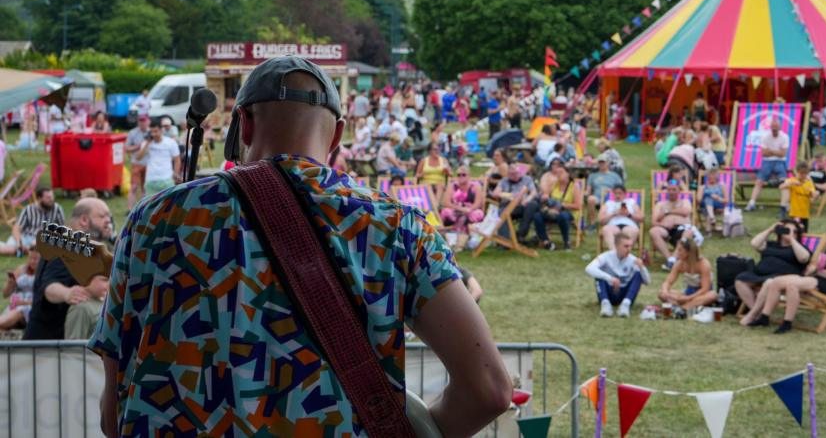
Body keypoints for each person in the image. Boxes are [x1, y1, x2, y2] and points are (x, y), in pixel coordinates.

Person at [91, 56, 511, 437]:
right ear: (337, 137)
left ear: (245, 124)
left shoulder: (153, 219)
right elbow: (490, 390)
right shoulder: (399, 228)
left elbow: (115, 417)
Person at [25, 198, 112, 340]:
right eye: (102, 216)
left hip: (63, 339)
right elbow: (49, 287)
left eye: (109, 216)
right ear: (84, 220)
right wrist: (67, 293)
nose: (108, 220)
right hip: (45, 345)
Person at [741, 225, 826, 333]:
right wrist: (813, 267)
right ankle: (764, 317)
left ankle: (787, 323)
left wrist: (817, 271)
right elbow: (815, 266)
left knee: (792, 285)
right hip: (814, 279)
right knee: (776, 282)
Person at [733, 218, 811, 313]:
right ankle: (756, 312)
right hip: (761, 275)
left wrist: (792, 240)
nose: (791, 233)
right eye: (787, 230)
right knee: (740, 280)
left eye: (794, 231)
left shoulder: (799, 248)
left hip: (782, 278)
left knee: (769, 282)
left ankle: (754, 314)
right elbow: (754, 244)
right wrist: (770, 229)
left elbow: (804, 258)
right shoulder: (771, 244)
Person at [586, 232, 649, 318]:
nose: (629, 249)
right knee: (599, 274)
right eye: (626, 246)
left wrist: (642, 268)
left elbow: (647, 282)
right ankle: (605, 305)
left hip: (624, 293)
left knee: (638, 274)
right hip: (609, 291)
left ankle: (625, 305)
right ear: (617, 246)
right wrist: (610, 278)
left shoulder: (633, 260)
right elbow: (589, 268)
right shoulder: (606, 256)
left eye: (631, 246)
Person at [648, 180, 700, 268]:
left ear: (679, 191)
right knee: (654, 231)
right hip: (666, 230)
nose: (671, 192)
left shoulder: (685, 202)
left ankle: (673, 260)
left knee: (689, 232)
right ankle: (670, 259)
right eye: (669, 190)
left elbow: (686, 212)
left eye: (674, 190)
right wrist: (664, 225)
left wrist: (667, 212)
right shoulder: (660, 204)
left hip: (682, 229)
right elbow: (653, 222)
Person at [534, 158, 582, 250]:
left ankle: (566, 242)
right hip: (553, 211)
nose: (558, 175)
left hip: (569, 212)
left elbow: (578, 206)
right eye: (557, 173)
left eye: (561, 173)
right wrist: (545, 196)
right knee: (537, 216)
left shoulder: (574, 186)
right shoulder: (554, 185)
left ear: (568, 174)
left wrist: (561, 205)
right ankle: (546, 241)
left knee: (562, 216)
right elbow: (546, 196)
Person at [658, 237, 718, 311]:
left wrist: (688, 298)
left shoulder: (703, 264)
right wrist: (665, 291)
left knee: (712, 295)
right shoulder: (679, 263)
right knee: (661, 293)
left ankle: (683, 307)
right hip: (688, 292)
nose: (677, 253)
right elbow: (668, 282)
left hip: (701, 295)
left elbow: (705, 289)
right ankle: (685, 306)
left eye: (680, 250)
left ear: (688, 252)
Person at [4, 187, 65, 255]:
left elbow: (62, 229)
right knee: (11, 244)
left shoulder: (57, 209)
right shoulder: (28, 209)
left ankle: (25, 250)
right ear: (39, 198)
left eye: (52, 197)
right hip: (26, 237)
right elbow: (17, 227)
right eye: (48, 198)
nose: (51, 200)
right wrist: (19, 242)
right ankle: (24, 249)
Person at [746, 119, 790, 212]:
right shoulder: (766, 136)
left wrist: (771, 151)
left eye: (776, 129)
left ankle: (784, 205)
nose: (774, 131)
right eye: (773, 129)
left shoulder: (784, 137)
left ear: (780, 128)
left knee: (784, 182)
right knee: (759, 181)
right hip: (767, 161)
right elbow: (764, 153)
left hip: (779, 161)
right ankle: (751, 203)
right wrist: (777, 152)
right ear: (770, 128)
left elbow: (783, 154)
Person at [492, 163, 541, 244]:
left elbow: (533, 192)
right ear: (508, 174)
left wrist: (527, 199)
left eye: (516, 173)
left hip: (523, 206)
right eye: (511, 174)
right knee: (502, 212)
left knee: (532, 204)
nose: (514, 176)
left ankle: (521, 233)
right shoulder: (504, 181)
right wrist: (508, 195)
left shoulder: (527, 179)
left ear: (520, 173)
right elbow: (495, 193)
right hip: (508, 206)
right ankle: (505, 242)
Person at [136, 121, 181, 198]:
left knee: (168, 206)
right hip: (151, 180)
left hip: (167, 179)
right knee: (151, 207)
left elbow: (177, 160)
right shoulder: (147, 142)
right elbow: (138, 158)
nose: (154, 134)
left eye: (156, 131)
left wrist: (176, 173)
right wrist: (147, 143)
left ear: (161, 130)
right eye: (151, 132)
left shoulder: (170, 142)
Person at [0, 244, 39, 331]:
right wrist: (10, 283)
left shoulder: (44, 273)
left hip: (31, 308)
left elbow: (42, 299)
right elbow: (5, 295)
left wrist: (24, 303)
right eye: (30, 258)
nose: (32, 261)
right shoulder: (21, 269)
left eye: (36, 259)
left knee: (20, 310)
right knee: (2, 327)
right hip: (15, 306)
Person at [439, 165, 486, 232]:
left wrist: (469, 209)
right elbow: (446, 202)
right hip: (455, 210)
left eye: (464, 175)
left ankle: (462, 234)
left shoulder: (476, 186)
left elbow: (478, 203)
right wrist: (460, 209)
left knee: (478, 213)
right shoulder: (452, 185)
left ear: (469, 176)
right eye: (458, 175)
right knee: (445, 212)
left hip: (470, 210)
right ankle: (447, 233)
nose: (461, 177)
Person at [64, 274, 109, 340]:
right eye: (105, 280)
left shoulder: (105, 304)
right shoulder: (81, 307)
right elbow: (73, 345)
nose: (110, 283)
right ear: (87, 279)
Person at [598, 184, 642, 249]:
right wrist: (614, 214)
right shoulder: (608, 203)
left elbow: (641, 218)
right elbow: (601, 220)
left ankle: (625, 252)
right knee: (606, 229)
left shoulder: (631, 202)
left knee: (634, 230)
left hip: (629, 225)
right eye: (615, 193)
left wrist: (628, 214)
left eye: (620, 193)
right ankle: (614, 253)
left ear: (625, 194)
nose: (617, 195)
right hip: (612, 225)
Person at [779, 161, 818, 232]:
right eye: (801, 173)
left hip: (805, 214)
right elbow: (781, 187)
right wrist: (791, 183)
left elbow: (813, 195)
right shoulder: (792, 180)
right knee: (794, 232)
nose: (803, 175)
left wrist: (815, 194)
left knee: (804, 233)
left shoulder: (809, 182)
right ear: (797, 172)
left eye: (805, 173)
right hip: (794, 213)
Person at [585, 155, 624, 227]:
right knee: (591, 199)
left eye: (603, 162)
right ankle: (592, 224)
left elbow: (621, 190)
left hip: (611, 198)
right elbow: (588, 190)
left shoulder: (615, 176)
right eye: (600, 162)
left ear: (608, 163)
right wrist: (584, 194)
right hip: (597, 198)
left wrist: (611, 191)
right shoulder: (592, 175)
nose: (601, 164)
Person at [125, 115, 151, 210]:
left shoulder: (152, 132)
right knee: (134, 186)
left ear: (148, 121)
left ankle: (143, 208)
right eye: (140, 121)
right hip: (136, 163)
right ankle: (129, 209)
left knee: (145, 187)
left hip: (149, 163)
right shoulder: (133, 133)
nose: (142, 123)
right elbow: (127, 148)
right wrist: (138, 146)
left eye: (144, 121)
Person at [697, 168, 727, 234]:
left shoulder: (722, 186)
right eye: (709, 175)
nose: (711, 177)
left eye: (713, 175)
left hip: (718, 204)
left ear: (717, 177)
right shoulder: (702, 187)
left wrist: (718, 198)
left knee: (708, 201)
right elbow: (698, 200)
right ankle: (711, 220)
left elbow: (726, 200)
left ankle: (711, 222)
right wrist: (703, 194)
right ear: (707, 176)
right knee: (708, 198)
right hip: (705, 205)